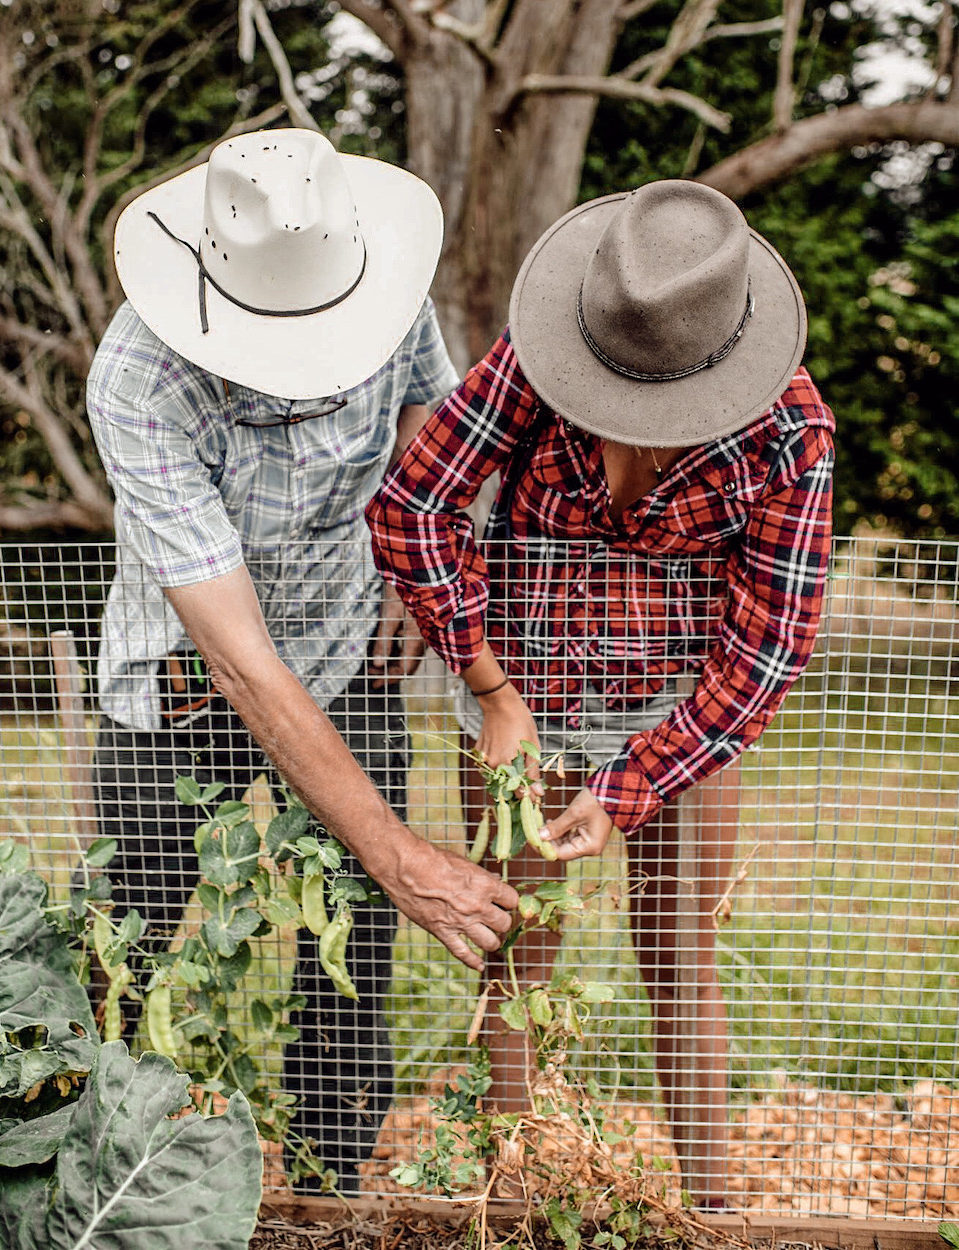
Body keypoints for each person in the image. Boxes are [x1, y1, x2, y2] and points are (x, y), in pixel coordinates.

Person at [366, 180, 835, 1209]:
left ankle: (709, 1210)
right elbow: (411, 508)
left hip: (680, 717)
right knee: (514, 948)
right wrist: (493, 689)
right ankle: (511, 1195)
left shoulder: (789, 436)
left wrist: (630, 783)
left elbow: (761, 656)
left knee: (678, 956)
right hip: (519, 696)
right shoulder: (542, 352)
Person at [85, 126, 518, 1193]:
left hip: (347, 651)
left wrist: (422, 568)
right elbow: (238, 665)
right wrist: (401, 850)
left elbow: (433, 416)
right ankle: (108, 1175)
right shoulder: (138, 381)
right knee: (129, 947)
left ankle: (328, 1186)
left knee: (350, 955)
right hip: (180, 687)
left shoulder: (383, 287)